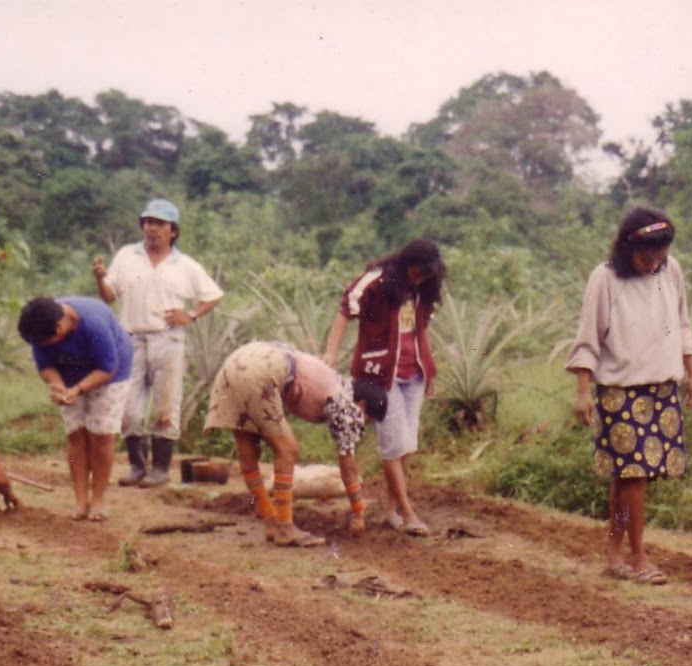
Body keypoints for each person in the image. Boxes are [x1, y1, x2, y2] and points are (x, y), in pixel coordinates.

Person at [567, 207, 692, 585]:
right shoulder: (605, 278)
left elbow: (682, 322)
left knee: (626, 478)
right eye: (645, 257)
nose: (652, 264)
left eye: (659, 257)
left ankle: (614, 553)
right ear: (626, 248)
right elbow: (588, 337)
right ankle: (639, 556)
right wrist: (582, 392)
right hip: (619, 391)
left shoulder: (670, 270)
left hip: (662, 387)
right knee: (634, 476)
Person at [204, 341, 387, 547]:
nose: (362, 424)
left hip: (236, 363)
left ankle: (271, 521)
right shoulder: (347, 404)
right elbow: (349, 470)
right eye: (368, 420)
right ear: (362, 405)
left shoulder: (332, 379)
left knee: (249, 454)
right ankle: (284, 527)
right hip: (262, 371)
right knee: (288, 451)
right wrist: (358, 513)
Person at [93, 198, 223, 488]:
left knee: (166, 405)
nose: (152, 229)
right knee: (128, 408)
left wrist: (190, 314)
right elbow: (109, 295)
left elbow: (212, 294)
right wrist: (101, 278)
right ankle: (137, 466)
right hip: (131, 338)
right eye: (148, 222)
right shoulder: (127, 256)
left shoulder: (184, 264)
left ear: (173, 231)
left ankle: (161, 469)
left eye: (159, 224)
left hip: (168, 338)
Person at [324, 239, 445, 536]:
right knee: (393, 445)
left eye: (424, 278)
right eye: (415, 274)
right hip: (379, 374)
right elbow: (345, 310)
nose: (418, 281)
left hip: (413, 373)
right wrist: (330, 353)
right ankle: (408, 513)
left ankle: (391, 511)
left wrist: (429, 369)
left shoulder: (423, 290)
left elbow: (421, 331)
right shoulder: (376, 282)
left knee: (406, 444)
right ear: (406, 264)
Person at [17, 296, 134, 521]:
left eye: (48, 342)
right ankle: (81, 501)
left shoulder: (93, 322)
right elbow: (46, 367)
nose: (43, 347)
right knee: (75, 435)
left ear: (60, 327)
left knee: (101, 435)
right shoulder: (40, 330)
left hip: (111, 375)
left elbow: (107, 368)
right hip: (69, 374)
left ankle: (98, 501)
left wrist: (78, 389)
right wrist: (59, 387)